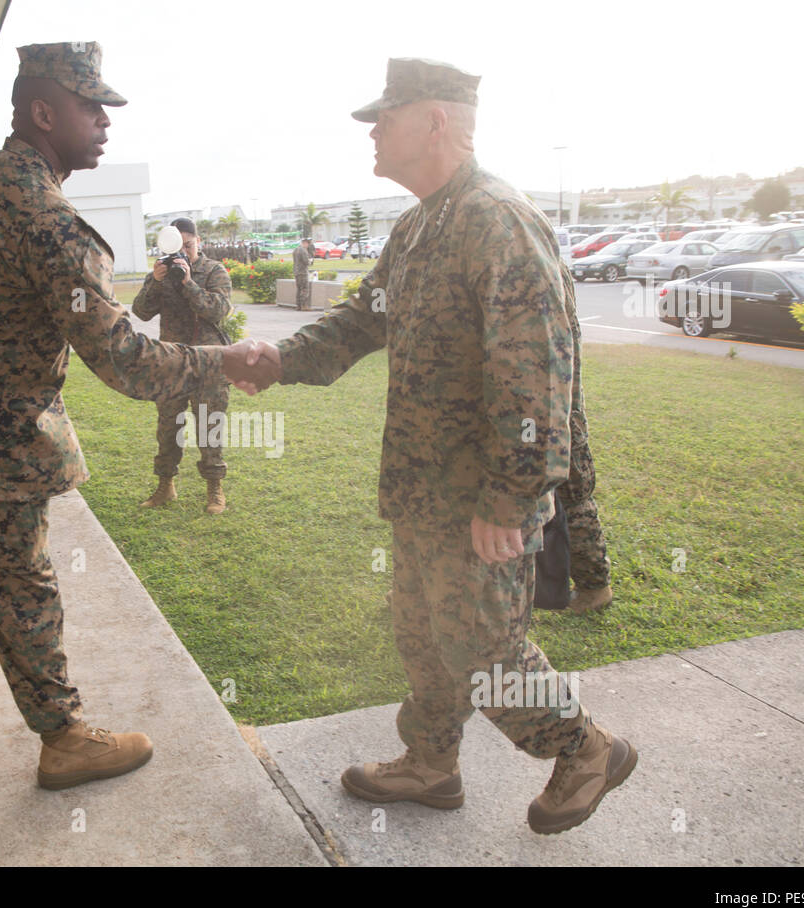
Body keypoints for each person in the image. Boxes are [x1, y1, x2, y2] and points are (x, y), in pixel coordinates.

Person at [228, 58, 636, 834]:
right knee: (422, 633)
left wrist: (511, 497)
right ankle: (430, 763)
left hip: (478, 499)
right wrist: (280, 360)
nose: (373, 133)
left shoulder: (497, 219)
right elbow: (362, 319)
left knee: (484, 647)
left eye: (385, 117)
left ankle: (585, 749)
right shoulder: (420, 227)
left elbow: (536, 374)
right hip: (422, 491)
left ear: (434, 122)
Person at [0, 42, 257, 790]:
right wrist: (224, 360)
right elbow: (125, 362)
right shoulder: (47, 218)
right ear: (44, 112)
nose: (106, 122)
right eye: (90, 106)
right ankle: (65, 737)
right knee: (21, 582)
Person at [132, 218, 234, 514]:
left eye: (188, 246)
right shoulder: (162, 273)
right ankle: (166, 486)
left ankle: (214, 489)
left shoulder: (213, 270)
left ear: (197, 242)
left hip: (209, 363)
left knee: (209, 425)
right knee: (168, 427)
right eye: (179, 247)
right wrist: (155, 281)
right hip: (171, 362)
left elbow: (218, 310)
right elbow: (141, 311)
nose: (184, 252)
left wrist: (188, 283)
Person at [556, 263, 613, 614]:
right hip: (545, 406)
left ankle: (594, 587)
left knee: (572, 495)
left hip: (559, 411)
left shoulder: (541, 262)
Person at [293, 237, 314, 310]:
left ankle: (298, 306)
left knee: (298, 289)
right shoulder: (303, 250)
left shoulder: (296, 249)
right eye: (308, 244)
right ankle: (304, 306)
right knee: (305, 289)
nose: (308, 246)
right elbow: (306, 262)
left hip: (296, 271)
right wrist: (310, 261)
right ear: (305, 243)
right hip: (302, 272)